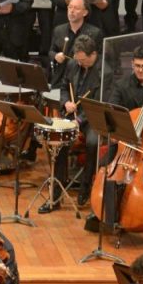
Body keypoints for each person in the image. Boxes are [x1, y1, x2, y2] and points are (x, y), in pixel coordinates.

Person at [43, 34, 102, 212]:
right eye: (78, 59)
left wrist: (80, 119)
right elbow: (64, 86)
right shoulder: (72, 63)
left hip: (92, 116)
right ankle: (56, 197)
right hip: (72, 112)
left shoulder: (103, 71)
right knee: (58, 140)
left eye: (83, 60)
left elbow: (99, 102)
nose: (80, 63)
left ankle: (85, 186)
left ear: (93, 55)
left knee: (93, 143)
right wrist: (65, 102)